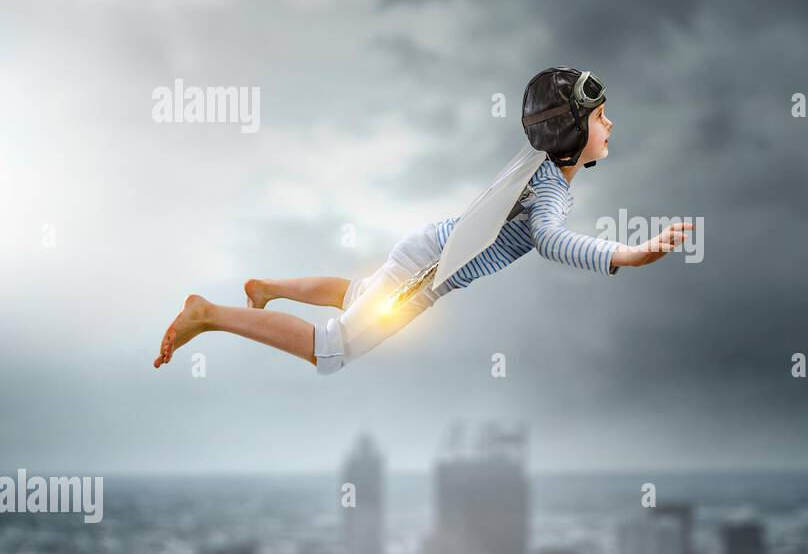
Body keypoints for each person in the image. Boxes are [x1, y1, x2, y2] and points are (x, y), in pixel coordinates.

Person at [153, 67, 692, 374]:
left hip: (427, 252)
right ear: (575, 134)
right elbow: (552, 242)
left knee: (361, 291)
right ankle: (209, 314)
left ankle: (268, 287)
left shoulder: (537, 168)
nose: (611, 124)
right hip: (428, 271)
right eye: (601, 118)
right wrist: (630, 253)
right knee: (334, 348)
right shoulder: (549, 190)